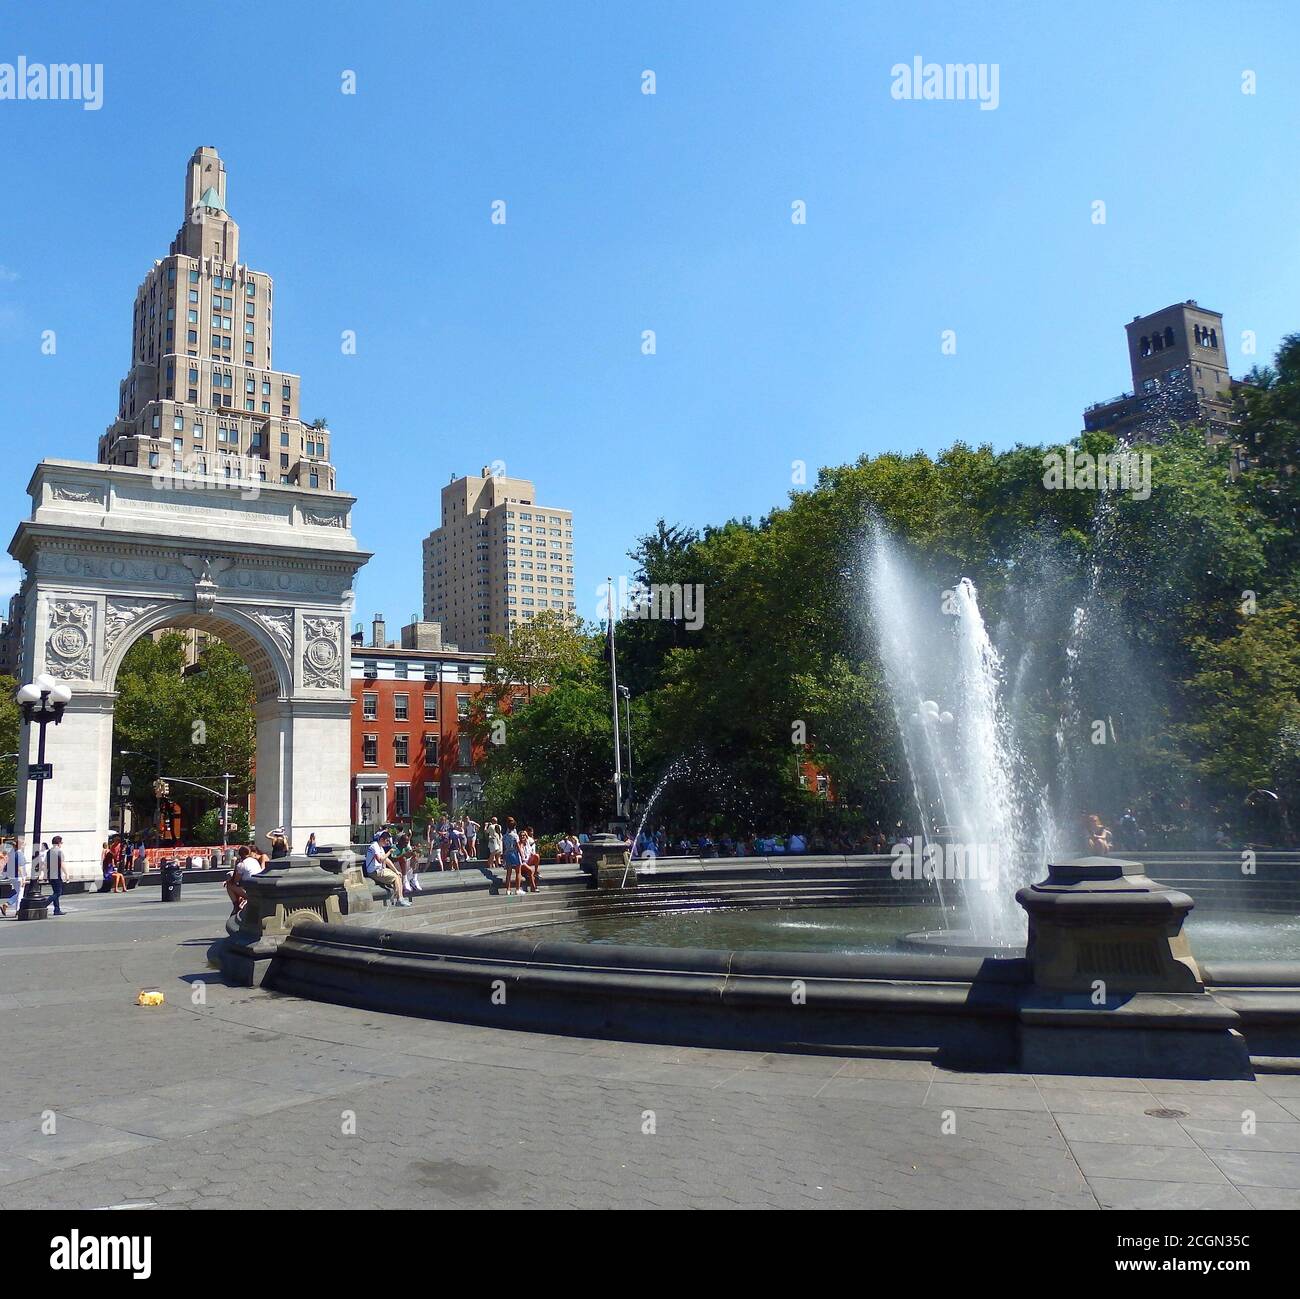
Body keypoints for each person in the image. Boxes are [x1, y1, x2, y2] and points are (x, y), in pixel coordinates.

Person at [364, 830, 409, 906]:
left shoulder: (380, 847)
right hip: (374, 871)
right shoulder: (374, 846)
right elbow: (380, 859)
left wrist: (396, 871)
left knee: (398, 875)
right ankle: (399, 899)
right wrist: (389, 852)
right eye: (387, 840)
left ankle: (400, 898)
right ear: (381, 839)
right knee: (395, 877)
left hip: (380, 870)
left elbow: (387, 860)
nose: (388, 842)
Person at [1, 838, 29, 916]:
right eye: (23, 844)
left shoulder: (12, 853)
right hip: (18, 876)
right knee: (20, 894)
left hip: (12, 876)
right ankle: (18, 910)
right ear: (20, 845)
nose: (24, 846)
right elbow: (20, 867)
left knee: (18, 893)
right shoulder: (19, 854)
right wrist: (23, 878)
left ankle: (7, 904)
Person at [502, 817, 522, 895]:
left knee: (508, 873)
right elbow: (517, 846)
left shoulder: (504, 836)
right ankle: (517, 889)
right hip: (514, 853)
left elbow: (504, 848)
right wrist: (522, 855)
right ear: (514, 827)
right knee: (518, 872)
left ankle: (508, 890)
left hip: (507, 854)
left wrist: (503, 858)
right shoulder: (515, 836)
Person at [48, 836, 67, 916]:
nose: (61, 844)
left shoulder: (49, 851)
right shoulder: (59, 852)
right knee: (58, 892)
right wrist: (67, 874)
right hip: (57, 874)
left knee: (55, 892)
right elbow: (62, 864)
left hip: (50, 874)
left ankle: (57, 909)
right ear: (59, 843)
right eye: (61, 843)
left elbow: (46, 864)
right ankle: (46, 902)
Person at [519, 825, 539, 892]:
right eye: (521, 836)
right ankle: (533, 887)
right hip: (521, 863)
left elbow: (530, 850)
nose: (522, 837)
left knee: (537, 856)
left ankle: (536, 871)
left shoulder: (527, 842)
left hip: (528, 861)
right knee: (530, 870)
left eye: (524, 835)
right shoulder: (518, 844)